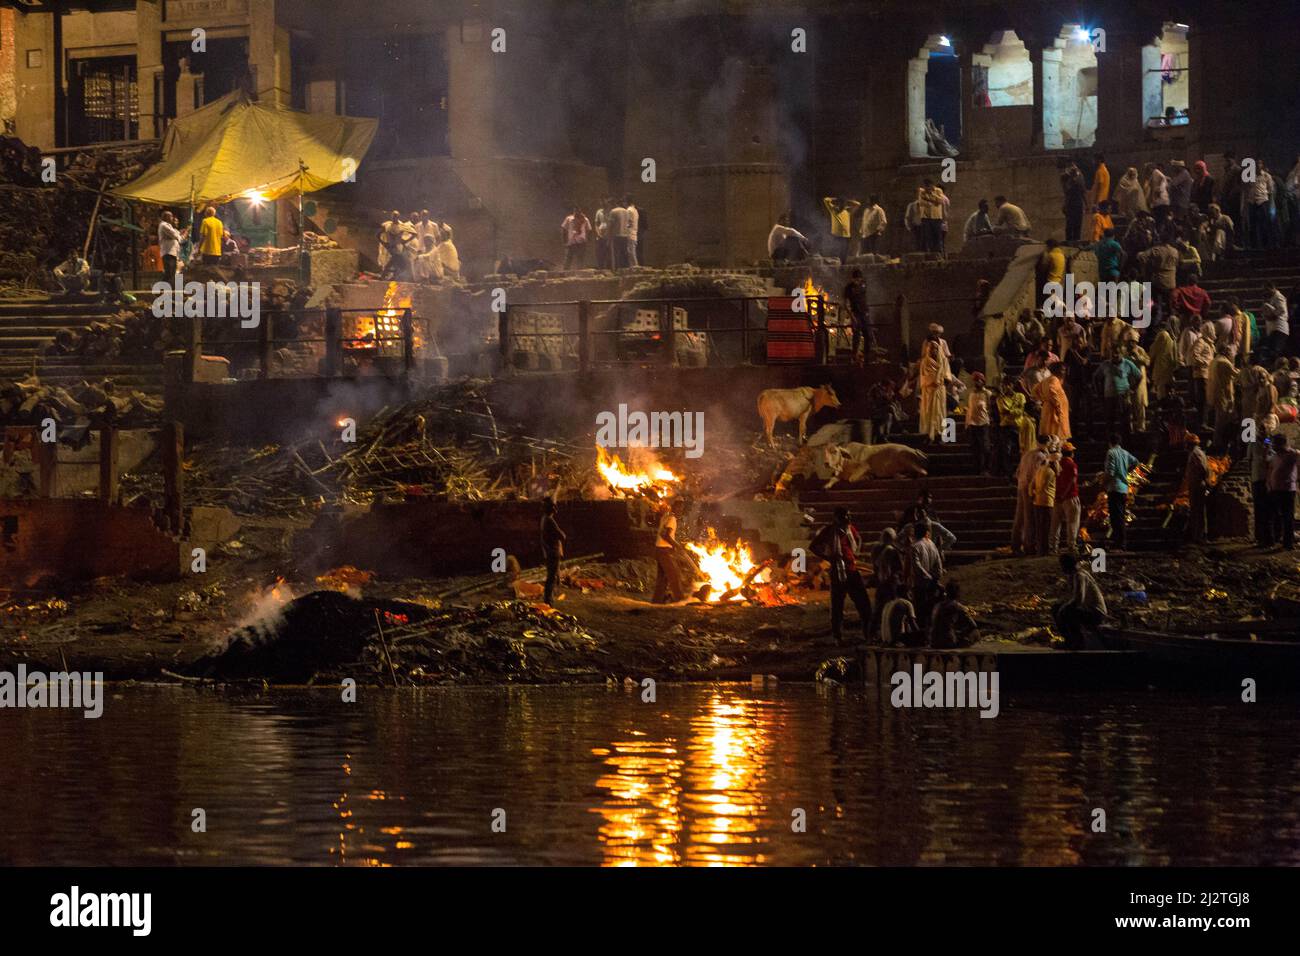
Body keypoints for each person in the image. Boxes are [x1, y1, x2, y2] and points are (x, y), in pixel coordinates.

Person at [810, 507, 871, 645]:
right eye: (845, 516)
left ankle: (867, 634)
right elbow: (813, 546)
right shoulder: (829, 531)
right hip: (837, 572)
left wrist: (856, 553)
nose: (848, 518)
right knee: (837, 606)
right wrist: (828, 557)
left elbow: (858, 538)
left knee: (864, 604)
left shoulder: (850, 529)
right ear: (837, 518)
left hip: (852, 570)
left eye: (849, 515)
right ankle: (837, 637)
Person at [1051, 554, 1108, 649]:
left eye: (1062, 565)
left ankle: (1076, 642)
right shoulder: (1074, 575)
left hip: (1096, 613)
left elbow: (1078, 599)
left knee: (1066, 612)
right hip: (1088, 610)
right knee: (1057, 608)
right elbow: (1069, 597)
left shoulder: (1080, 576)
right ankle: (1070, 640)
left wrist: (1063, 608)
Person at [1012, 435, 1048, 556]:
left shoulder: (1027, 454)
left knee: (1019, 517)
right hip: (1030, 488)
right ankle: (1029, 546)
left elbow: (1017, 472)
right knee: (1029, 518)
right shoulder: (1041, 457)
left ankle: (1015, 545)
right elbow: (1036, 474)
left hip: (1021, 486)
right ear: (1047, 444)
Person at [905, 519, 943, 628]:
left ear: (915, 533)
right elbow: (938, 564)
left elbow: (916, 566)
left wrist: (927, 577)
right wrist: (935, 578)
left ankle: (921, 632)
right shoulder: (932, 544)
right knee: (930, 610)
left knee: (920, 611)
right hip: (932, 584)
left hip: (920, 584)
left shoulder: (915, 547)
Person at [1104, 433, 1139, 549]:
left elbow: (1110, 472)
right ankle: (1120, 542)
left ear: (1110, 443)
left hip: (1114, 487)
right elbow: (1136, 462)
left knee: (1115, 518)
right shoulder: (1125, 453)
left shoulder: (1111, 453)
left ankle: (1120, 543)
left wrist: (1104, 482)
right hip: (1123, 488)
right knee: (1120, 516)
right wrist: (1126, 472)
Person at [917, 323, 951, 442]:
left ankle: (940, 434)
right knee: (928, 412)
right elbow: (923, 376)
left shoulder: (943, 361)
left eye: (936, 349)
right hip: (929, 390)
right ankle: (928, 435)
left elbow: (947, 375)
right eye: (932, 349)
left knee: (939, 412)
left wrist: (941, 381)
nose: (934, 350)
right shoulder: (925, 362)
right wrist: (932, 381)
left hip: (939, 390)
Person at [1094, 351, 1140, 438]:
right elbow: (1096, 377)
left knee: (1125, 420)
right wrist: (1099, 392)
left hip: (1123, 396)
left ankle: (1126, 440)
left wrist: (1133, 389)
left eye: (1117, 353)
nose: (1115, 355)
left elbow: (1139, 375)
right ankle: (1111, 440)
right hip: (1109, 396)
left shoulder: (1127, 363)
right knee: (1110, 420)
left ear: (1121, 353)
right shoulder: (1105, 364)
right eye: (1113, 353)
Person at [870, 527, 905, 638]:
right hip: (891, 582)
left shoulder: (876, 548)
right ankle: (890, 631)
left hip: (880, 581)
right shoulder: (893, 551)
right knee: (892, 606)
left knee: (878, 607)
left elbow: (874, 565)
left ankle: (872, 632)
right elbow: (900, 567)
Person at [1268, 434, 1299, 550]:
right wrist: (1269, 484)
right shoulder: (1275, 455)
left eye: (1275, 443)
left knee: (1288, 517)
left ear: (1282, 444)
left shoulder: (1293, 454)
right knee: (1277, 515)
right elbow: (1271, 469)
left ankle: (1288, 543)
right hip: (1275, 489)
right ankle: (1278, 538)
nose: (1272, 445)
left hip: (1287, 489)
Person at [651, 499, 685, 603]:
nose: (680, 511)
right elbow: (666, 535)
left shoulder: (666, 516)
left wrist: (673, 546)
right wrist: (677, 545)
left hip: (658, 549)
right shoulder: (672, 519)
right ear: (674, 507)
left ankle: (657, 601)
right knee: (674, 575)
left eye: (681, 509)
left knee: (662, 578)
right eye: (679, 508)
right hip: (664, 551)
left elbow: (663, 534)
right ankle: (680, 600)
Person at [929, 581, 979, 649]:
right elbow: (973, 625)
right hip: (948, 641)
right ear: (957, 593)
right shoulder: (957, 606)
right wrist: (962, 633)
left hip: (933, 642)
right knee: (976, 633)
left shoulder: (937, 605)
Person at [1051, 443, 1081, 555]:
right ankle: (1071, 546)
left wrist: (1059, 494)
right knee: (1072, 522)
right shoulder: (1071, 464)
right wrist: (1064, 494)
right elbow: (1072, 480)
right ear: (1071, 453)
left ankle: (1053, 546)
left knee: (1055, 523)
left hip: (1057, 497)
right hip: (1070, 497)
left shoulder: (1057, 464)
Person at [1247, 430, 1274, 546]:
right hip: (1257, 478)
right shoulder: (1253, 442)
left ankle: (1268, 538)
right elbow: (1249, 459)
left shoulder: (1268, 441)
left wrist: (1267, 450)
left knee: (1267, 510)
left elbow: (1270, 453)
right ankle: (1259, 537)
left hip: (1267, 479)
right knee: (1259, 509)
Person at [1183, 433, 1210, 544]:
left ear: (1190, 444)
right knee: (1198, 511)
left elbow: (1202, 468)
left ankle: (1200, 536)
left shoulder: (1195, 453)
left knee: (1198, 511)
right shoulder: (1196, 453)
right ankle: (1199, 535)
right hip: (1197, 484)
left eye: (1186, 443)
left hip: (1197, 485)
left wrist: (1201, 480)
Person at [540, 497, 566, 606]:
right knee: (551, 577)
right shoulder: (549, 520)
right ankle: (548, 601)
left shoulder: (544, 519)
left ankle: (548, 599)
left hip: (549, 551)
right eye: (553, 506)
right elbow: (562, 536)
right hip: (553, 552)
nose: (555, 508)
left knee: (551, 576)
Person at [965, 371, 993, 474]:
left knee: (985, 447)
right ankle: (977, 468)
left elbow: (990, 408)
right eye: (975, 381)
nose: (976, 383)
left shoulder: (987, 393)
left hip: (983, 423)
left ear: (983, 381)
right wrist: (967, 423)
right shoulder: (971, 394)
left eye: (978, 380)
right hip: (972, 423)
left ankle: (986, 468)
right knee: (975, 448)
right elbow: (969, 409)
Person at [1031, 453, 1059, 556]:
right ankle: (1045, 549)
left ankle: (1040, 549)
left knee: (1039, 526)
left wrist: (1033, 494)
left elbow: (1031, 485)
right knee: (1046, 527)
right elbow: (1044, 486)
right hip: (1047, 501)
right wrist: (1038, 492)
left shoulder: (1039, 470)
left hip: (1037, 502)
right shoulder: (1050, 472)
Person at [843, 268, 872, 360]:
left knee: (868, 335)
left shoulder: (864, 285)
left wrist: (867, 313)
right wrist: (852, 317)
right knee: (856, 336)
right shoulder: (848, 288)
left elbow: (863, 298)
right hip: (856, 314)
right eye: (856, 279)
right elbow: (846, 304)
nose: (857, 281)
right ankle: (854, 356)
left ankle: (867, 357)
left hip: (865, 313)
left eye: (859, 279)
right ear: (852, 279)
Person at [822, 196, 860, 261]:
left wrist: (849, 200)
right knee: (837, 251)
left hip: (846, 235)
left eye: (843, 203)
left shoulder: (848, 211)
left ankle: (843, 264)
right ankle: (837, 263)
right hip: (836, 235)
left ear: (845, 204)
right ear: (838, 203)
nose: (842, 205)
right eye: (840, 203)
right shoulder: (833, 209)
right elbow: (825, 200)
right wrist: (836, 198)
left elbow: (858, 204)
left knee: (844, 251)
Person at [916, 180, 946, 254]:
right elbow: (921, 203)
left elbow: (940, 201)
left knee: (937, 236)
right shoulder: (922, 192)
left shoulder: (938, 191)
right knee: (927, 236)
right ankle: (928, 253)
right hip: (926, 218)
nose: (927, 188)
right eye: (925, 187)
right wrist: (932, 201)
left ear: (932, 185)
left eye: (928, 186)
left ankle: (938, 253)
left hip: (937, 217)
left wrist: (931, 194)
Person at [1062, 162, 1087, 240]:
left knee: (1077, 225)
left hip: (1077, 203)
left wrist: (1086, 204)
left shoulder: (1079, 178)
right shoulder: (1066, 178)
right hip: (1071, 204)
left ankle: (1076, 240)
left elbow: (1083, 191)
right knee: (1070, 225)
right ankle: (1070, 241)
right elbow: (1066, 191)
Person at [158, 211, 185, 282]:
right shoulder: (164, 225)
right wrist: (180, 236)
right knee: (169, 272)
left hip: (173, 252)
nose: (172, 218)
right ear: (166, 217)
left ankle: (169, 286)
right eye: (171, 216)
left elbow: (177, 235)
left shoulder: (169, 226)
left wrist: (180, 235)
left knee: (172, 273)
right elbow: (174, 235)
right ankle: (161, 286)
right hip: (168, 252)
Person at [560, 206, 590, 270]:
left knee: (580, 258)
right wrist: (564, 240)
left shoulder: (585, 219)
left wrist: (586, 239)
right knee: (568, 258)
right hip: (571, 241)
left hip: (581, 241)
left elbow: (588, 230)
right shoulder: (569, 219)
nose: (577, 212)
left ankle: (580, 271)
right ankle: (566, 272)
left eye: (578, 210)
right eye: (575, 210)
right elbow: (564, 229)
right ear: (574, 211)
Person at [608, 199, 630, 269]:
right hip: (625, 235)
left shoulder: (613, 211)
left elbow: (611, 225)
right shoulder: (626, 211)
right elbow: (629, 224)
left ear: (615, 204)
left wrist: (609, 236)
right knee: (624, 253)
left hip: (616, 235)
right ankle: (625, 269)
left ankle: (617, 269)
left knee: (616, 254)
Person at [593, 198, 612, 270]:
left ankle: (609, 268)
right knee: (600, 252)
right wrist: (598, 233)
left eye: (605, 202)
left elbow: (611, 224)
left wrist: (608, 233)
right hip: (600, 235)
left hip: (609, 235)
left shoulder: (611, 212)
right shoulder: (599, 212)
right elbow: (596, 223)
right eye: (602, 202)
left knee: (608, 253)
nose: (603, 203)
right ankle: (601, 268)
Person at [624, 195, 640, 268]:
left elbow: (629, 222)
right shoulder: (635, 210)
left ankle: (635, 268)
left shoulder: (629, 210)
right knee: (632, 252)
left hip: (629, 234)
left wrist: (624, 228)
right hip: (634, 233)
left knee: (631, 253)